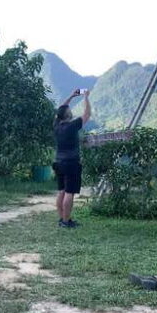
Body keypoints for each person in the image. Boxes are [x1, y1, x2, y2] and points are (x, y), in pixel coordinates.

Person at [53, 89, 92, 228]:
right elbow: (87, 114)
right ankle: (66, 221)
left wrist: (71, 96)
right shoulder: (72, 126)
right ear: (68, 114)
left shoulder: (57, 125)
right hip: (71, 163)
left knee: (61, 191)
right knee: (69, 193)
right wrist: (86, 97)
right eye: (69, 109)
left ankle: (61, 218)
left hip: (58, 162)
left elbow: (60, 110)